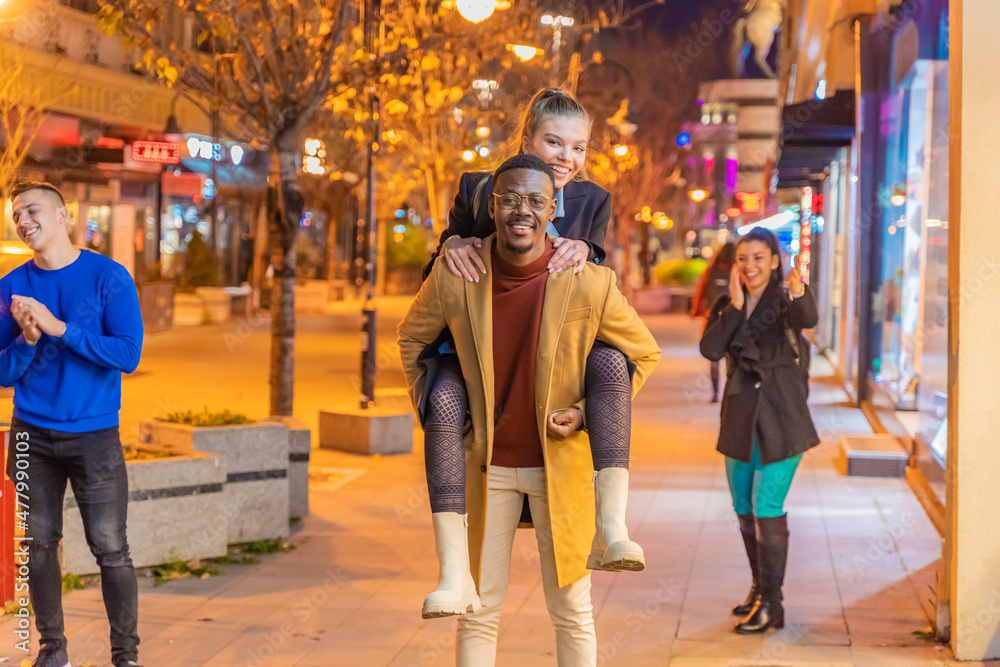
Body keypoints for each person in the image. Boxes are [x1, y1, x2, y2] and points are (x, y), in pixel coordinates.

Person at [399, 155, 660, 665]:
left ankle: (615, 527)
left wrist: (587, 413)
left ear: (553, 208)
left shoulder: (588, 280)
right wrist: (438, 418)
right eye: (511, 199)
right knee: (478, 610)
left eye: (536, 201)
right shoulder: (459, 273)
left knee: (572, 609)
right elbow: (412, 341)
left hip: (558, 464)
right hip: (486, 465)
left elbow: (644, 353)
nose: (523, 211)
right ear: (493, 208)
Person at [3, 182, 144, 667]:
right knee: (37, 545)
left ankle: (125, 656)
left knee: (111, 549)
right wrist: (25, 337)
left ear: (64, 215)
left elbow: (128, 354)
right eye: (16, 214)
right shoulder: (10, 286)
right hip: (30, 438)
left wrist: (59, 328)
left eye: (32, 210)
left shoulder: (110, 277)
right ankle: (52, 650)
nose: (22, 221)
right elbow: (3, 374)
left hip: (95, 436)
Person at [699, 227, 819, 634]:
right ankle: (759, 589)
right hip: (740, 417)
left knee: (767, 503)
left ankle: (773, 604)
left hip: (782, 416)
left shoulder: (786, 300)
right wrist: (734, 307)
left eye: (758, 258)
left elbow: (808, 319)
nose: (750, 266)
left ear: (773, 260)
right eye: (743, 259)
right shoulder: (727, 304)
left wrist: (800, 289)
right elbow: (710, 350)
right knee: (743, 508)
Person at [691, 243, 736, 402]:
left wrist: (696, 311)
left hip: (712, 317)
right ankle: (730, 392)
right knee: (732, 357)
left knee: (714, 357)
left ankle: (715, 393)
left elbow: (700, 291)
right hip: (732, 317)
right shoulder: (737, 270)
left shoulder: (711, 270)